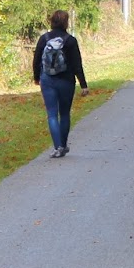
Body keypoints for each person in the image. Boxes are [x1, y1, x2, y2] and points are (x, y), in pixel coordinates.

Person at [32, 9, 88, 157]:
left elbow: (36, 59)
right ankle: (63, 145)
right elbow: (77, 64)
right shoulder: (70, 40)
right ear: (66, 22)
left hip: (47, 80)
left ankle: (57, 147)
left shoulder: (44, 39)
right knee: (64, 114)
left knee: (51, 114)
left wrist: (37, 77)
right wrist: (83, 84)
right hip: (66, 81)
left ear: (52, 22)